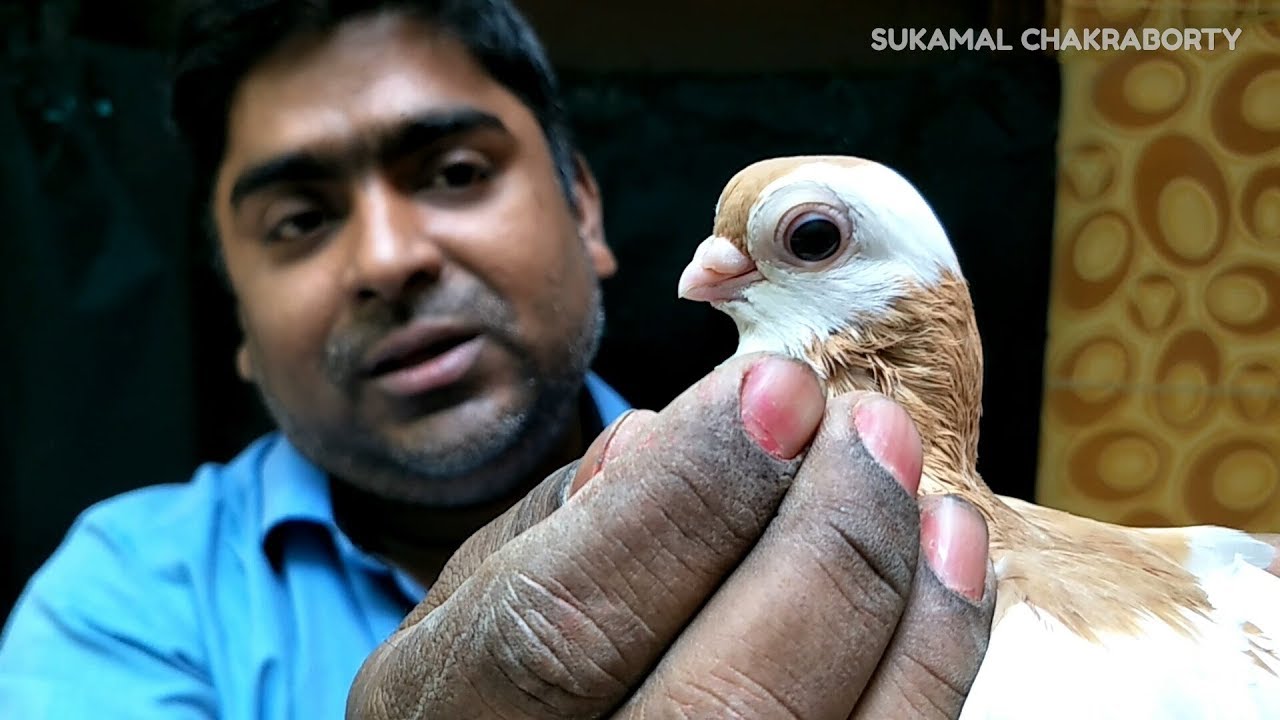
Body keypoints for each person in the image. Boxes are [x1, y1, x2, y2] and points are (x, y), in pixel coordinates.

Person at [0, 1, 1002, 717]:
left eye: (454, 171)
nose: (387, 260)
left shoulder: (913, 537)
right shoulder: (122, 602)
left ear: (585, 212)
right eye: (299, 221)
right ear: (240, 330)